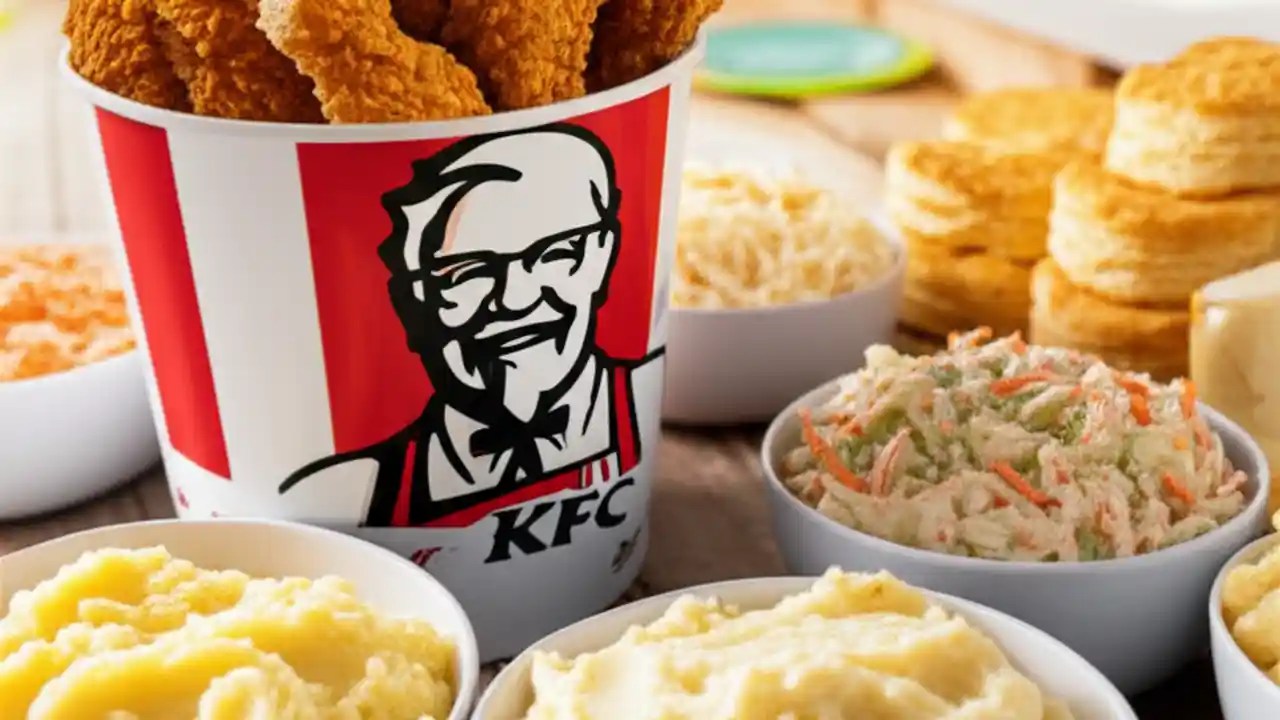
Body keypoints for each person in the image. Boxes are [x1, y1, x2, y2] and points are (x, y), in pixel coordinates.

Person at [279, 125, 660, 528]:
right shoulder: (348, 492)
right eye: (467, 272)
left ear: (602, 258)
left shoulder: (645, 400)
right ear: (416, 298)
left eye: (554, 255)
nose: (515, 299)